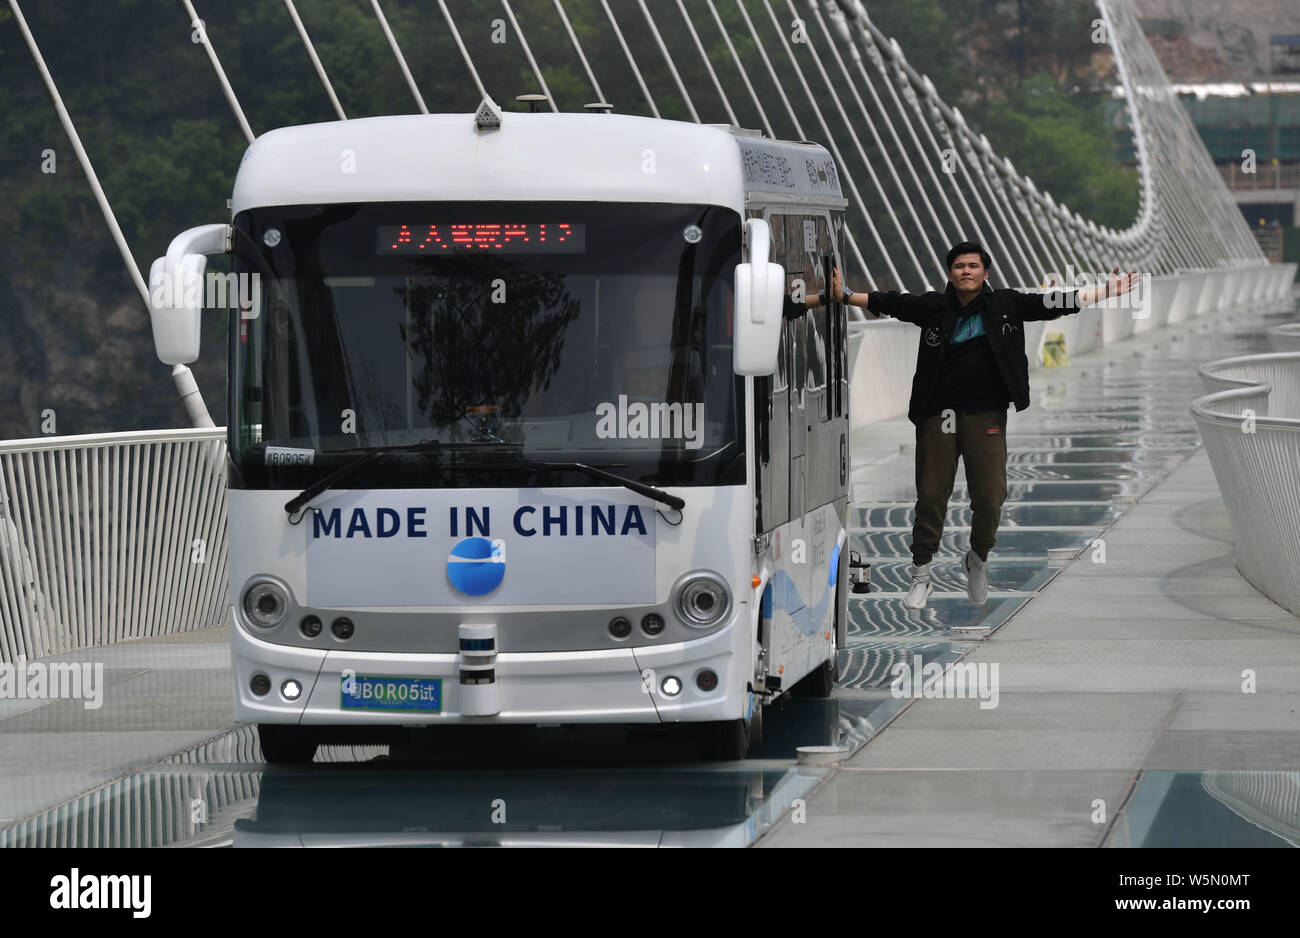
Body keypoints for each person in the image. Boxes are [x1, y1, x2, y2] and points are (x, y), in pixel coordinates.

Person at [808, 241, 1138, 610]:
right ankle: (921, 574)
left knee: (991, 497)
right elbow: (892, 302)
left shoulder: (1007, 304)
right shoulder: (934, 307)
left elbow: (1053, 303)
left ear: (986, 272)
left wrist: (1105, 292)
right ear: (950, 273)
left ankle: (977, 558)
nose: (966, 271)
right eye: (959, 266)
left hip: (986, 414)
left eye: (973, 266)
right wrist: (846, 295)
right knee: (932, 495)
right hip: (939, 413)